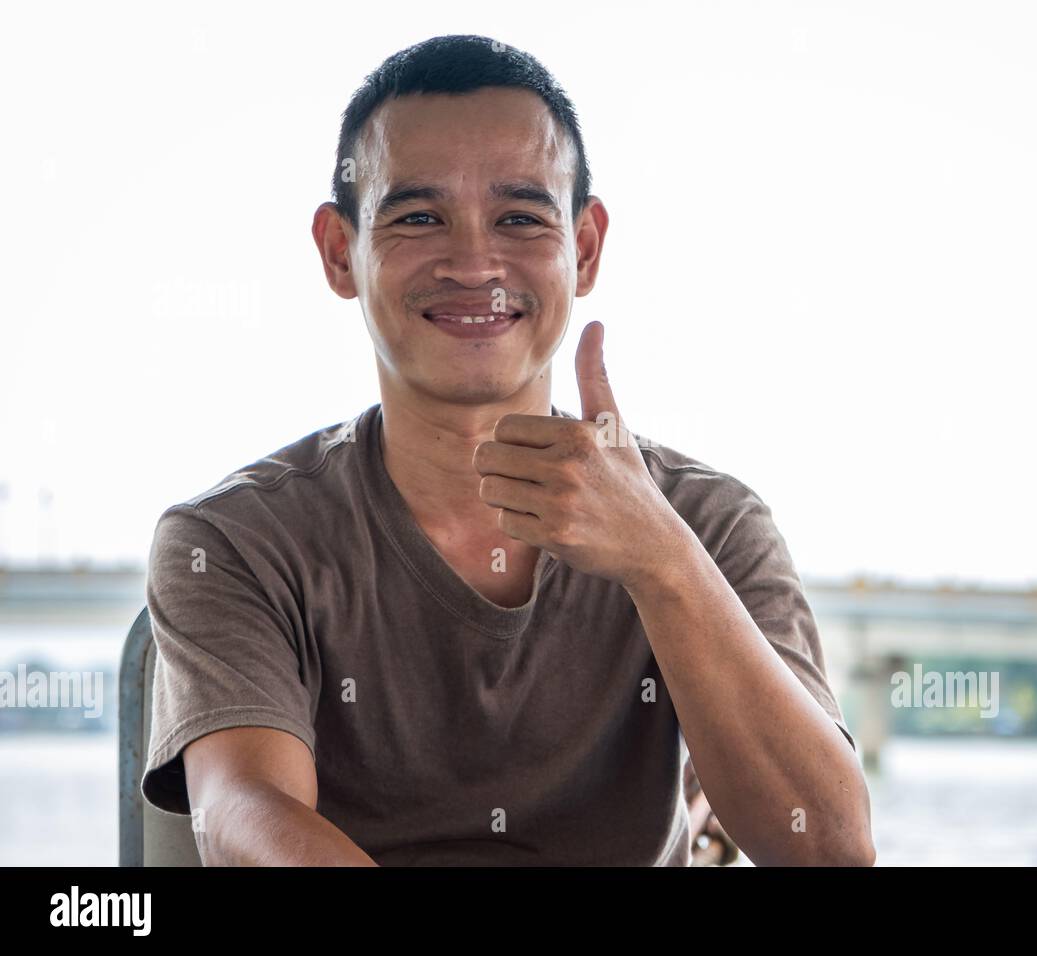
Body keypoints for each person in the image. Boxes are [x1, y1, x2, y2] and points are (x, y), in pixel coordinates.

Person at [141, 34, 874, 867]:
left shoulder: (710, 521)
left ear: (585, 248)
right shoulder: (233, 539)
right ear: (340, 252)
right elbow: (244, 813)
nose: (473, 261)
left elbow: (830, 848)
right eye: (419, 217)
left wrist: (661, 560)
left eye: (520, 218)